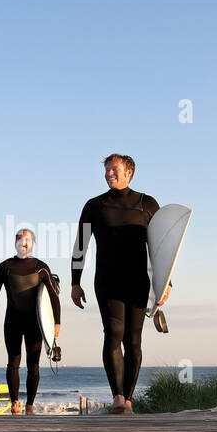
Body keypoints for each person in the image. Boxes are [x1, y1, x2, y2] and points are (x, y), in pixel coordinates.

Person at [70, 154, 162, 414]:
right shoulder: (95, 206)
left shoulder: (148, 204)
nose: (109, 173)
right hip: (107, 280)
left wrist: (165, 284)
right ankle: (118, 398)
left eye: (114, 169)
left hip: (137, 281)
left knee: (133, 341)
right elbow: (80, 246)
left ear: (129, 172)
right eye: (107, 169)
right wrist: (75, 283)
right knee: (113, 332)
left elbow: (162, 250)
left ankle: (129, 399)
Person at [0, 229, 61, 415]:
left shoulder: (41, 267)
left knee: (33, 364)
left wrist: (56, 324)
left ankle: (29, 406)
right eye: (20, 239)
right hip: (12, 320)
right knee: (13, 362)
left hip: (35, 322)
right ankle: (15, 403)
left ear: (33, 243)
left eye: (27, 240)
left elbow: (53, 297)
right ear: (15, 243)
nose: (24, 243)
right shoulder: (5, 267)